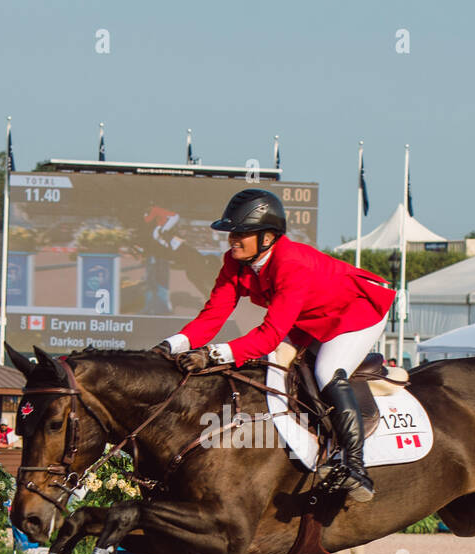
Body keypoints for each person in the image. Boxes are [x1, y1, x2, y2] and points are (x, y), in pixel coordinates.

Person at [153, 189, 396, 502]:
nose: (232, 240)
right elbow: (212, 317)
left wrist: (213, 354)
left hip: (356, 311)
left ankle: (355, 466)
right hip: (308, 317)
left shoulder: (291, 263)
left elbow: (268, 335)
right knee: (270, 365)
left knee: (326, 371)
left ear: (267, 237)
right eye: (231, 233)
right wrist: (168, 346)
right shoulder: (234, 263)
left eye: (241, 234)